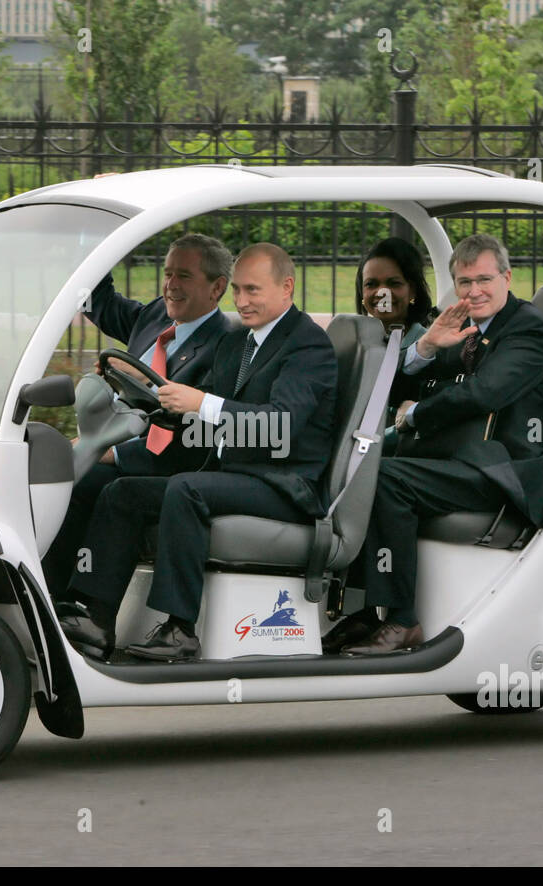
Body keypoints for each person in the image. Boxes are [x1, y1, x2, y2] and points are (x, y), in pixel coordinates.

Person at [59, 243, 338, 662]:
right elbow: (202, 429)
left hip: (284, 483)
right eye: (239, 291)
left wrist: (200, 403)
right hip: (237, 472)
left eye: (253, 291)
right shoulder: (239, 343)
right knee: (124, 493)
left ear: (287, 287)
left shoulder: (307, 346)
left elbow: (281, 426)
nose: (242, 302)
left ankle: (180, 628)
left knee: (187, 489)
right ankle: (93, 617)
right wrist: (158, 406)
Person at [324, 233, 543, 655]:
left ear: (506, 277)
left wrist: (415, 414)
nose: (475, 291)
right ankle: (363, 609)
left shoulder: (526, 328)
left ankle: (401, 620)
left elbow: (484, 393)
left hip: (499, 470)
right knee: (355, 468)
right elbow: (395, 382)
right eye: (465, 282)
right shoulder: (461, 322)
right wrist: (427, 346)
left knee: (386, 480)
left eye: (484, 280)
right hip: (451, 457)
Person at [41, 234, 235, 618]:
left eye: (184, 275)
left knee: (81, 484)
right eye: (167, 273)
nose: (171, 285)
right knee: (38, 465)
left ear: (217, 288)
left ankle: (75, 609)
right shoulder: (156, 316)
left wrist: (108, 451)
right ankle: (30, 596)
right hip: (101, 437)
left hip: (160, 461)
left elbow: (198, 438)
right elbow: (96, 300)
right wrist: (90, 239)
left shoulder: (226, 346)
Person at [353, 236, 436, 454]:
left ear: (413, 291)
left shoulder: (430, 349)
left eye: (393, 283)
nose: (382, 292)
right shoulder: (352, 345)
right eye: (371, 284)